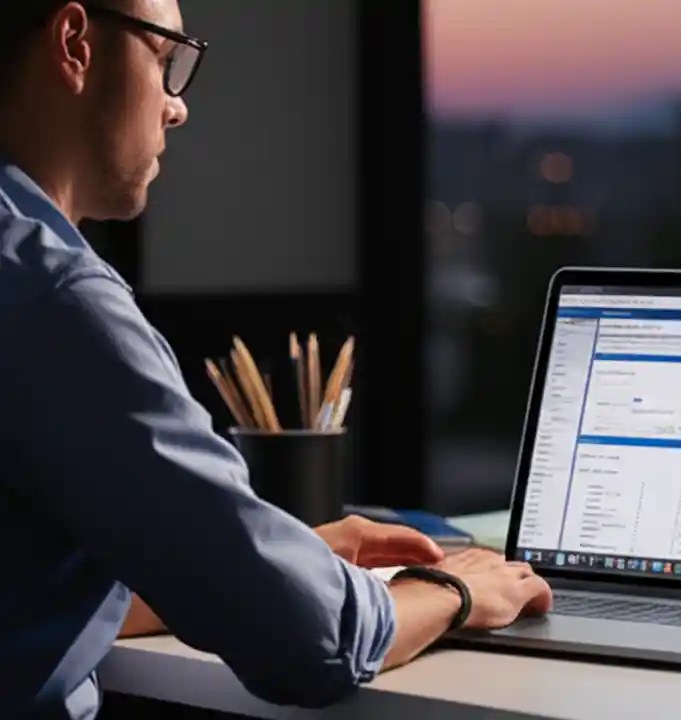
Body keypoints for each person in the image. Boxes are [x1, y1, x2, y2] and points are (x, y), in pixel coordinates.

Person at [0, 1, 553, 717]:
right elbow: (306, 641)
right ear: (75, 44)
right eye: (166, 59)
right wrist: (455, 592)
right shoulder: (55, 300)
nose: (176, 108)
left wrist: (278, 562)